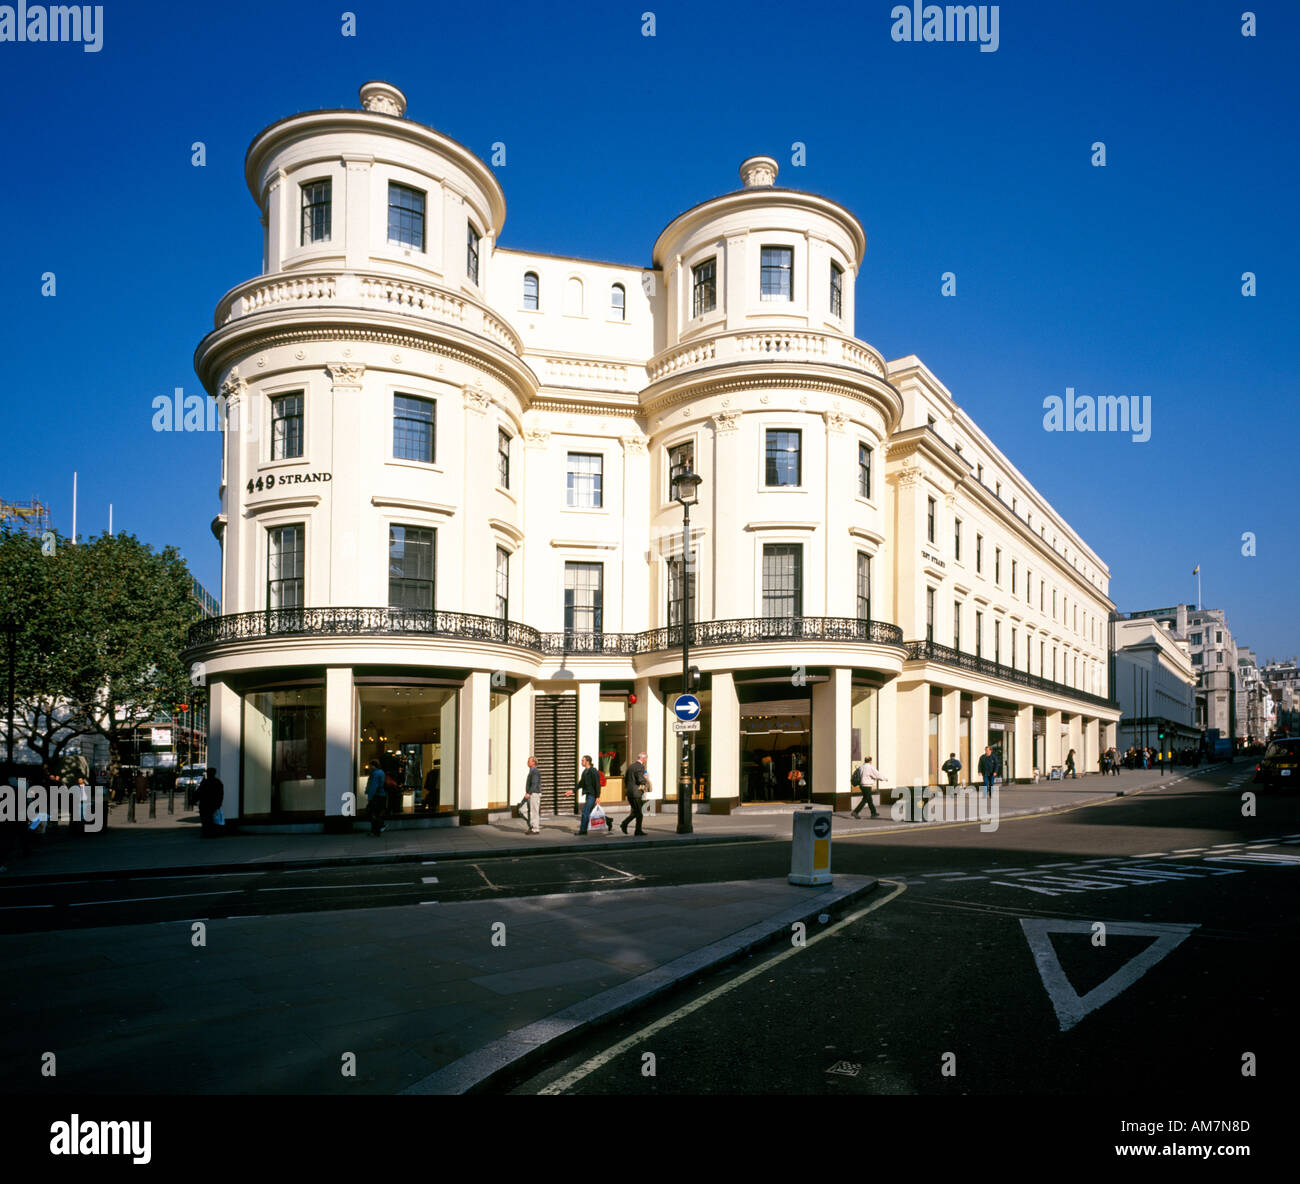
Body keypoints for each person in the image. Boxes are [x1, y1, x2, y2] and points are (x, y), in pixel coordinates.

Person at [622, 751, 649, 835]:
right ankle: (635, 829)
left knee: (636, 811)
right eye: (646, 758)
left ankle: (626, 825)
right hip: (636, 793)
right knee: (639, 813)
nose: (646, 760)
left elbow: (626, 780)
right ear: (643, 758)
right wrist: (645, 780)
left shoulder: (631, 766)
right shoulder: (640, 767)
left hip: (630, 792)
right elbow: (640, 779)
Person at [576, 754, 603, 835]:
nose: (581, 762)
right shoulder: (585, 771)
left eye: (583, 760)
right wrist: (572, 791)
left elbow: (597, 785)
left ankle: (583, 830)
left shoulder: (593, 771)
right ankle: (609, 821)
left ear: (587, 762)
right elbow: (581, 783)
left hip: (592, 795)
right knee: (589, 812)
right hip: (588, 795)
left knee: (585, 811)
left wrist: (597, 797)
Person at [197, 767, 224, 838]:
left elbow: (199, 793)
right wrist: (219, 803)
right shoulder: (218, 782)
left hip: (205, 804)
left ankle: (206, 833)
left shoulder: (205, 782)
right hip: (213, 804)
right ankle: (212, 833)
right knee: (212, 819)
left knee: (205, 819)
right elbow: (220, 794)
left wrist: (193, 800)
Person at [519, 756, 542, 834]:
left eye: (529, 761)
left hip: (534, 793)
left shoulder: (535, 771)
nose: (527, 762)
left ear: (533, 762)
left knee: (534, 811)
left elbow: (534, 784)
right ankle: (532, 825)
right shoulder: (531, 771)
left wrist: (529, 793)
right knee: (521, 809)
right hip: (530, 793)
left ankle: (535, 829)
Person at [365, 758, 387, 837]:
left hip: (376, 796)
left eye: (371, 766)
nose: (370, 767)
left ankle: (380, 826)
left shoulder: (375, 774)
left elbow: (373, 786)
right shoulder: (381, 772)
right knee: (377, 813)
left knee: (371, 813)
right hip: (382, 795)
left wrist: (370, 797)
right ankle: (376, 830)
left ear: (374, 766)